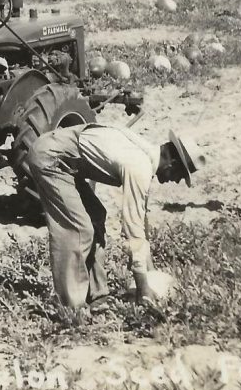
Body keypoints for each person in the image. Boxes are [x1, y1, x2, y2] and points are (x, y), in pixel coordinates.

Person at [26, 123, 203, 322]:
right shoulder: (138, 166)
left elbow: (140, 217)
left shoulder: (143, 155)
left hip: (65, 161)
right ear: (172, 163)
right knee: (78, 228)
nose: (176, 181)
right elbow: (132, 227)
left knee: (96, 216)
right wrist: (143, 286)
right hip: (51, 157)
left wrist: (150, 270)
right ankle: (71, 308)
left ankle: (97, 296)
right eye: (180, 175)